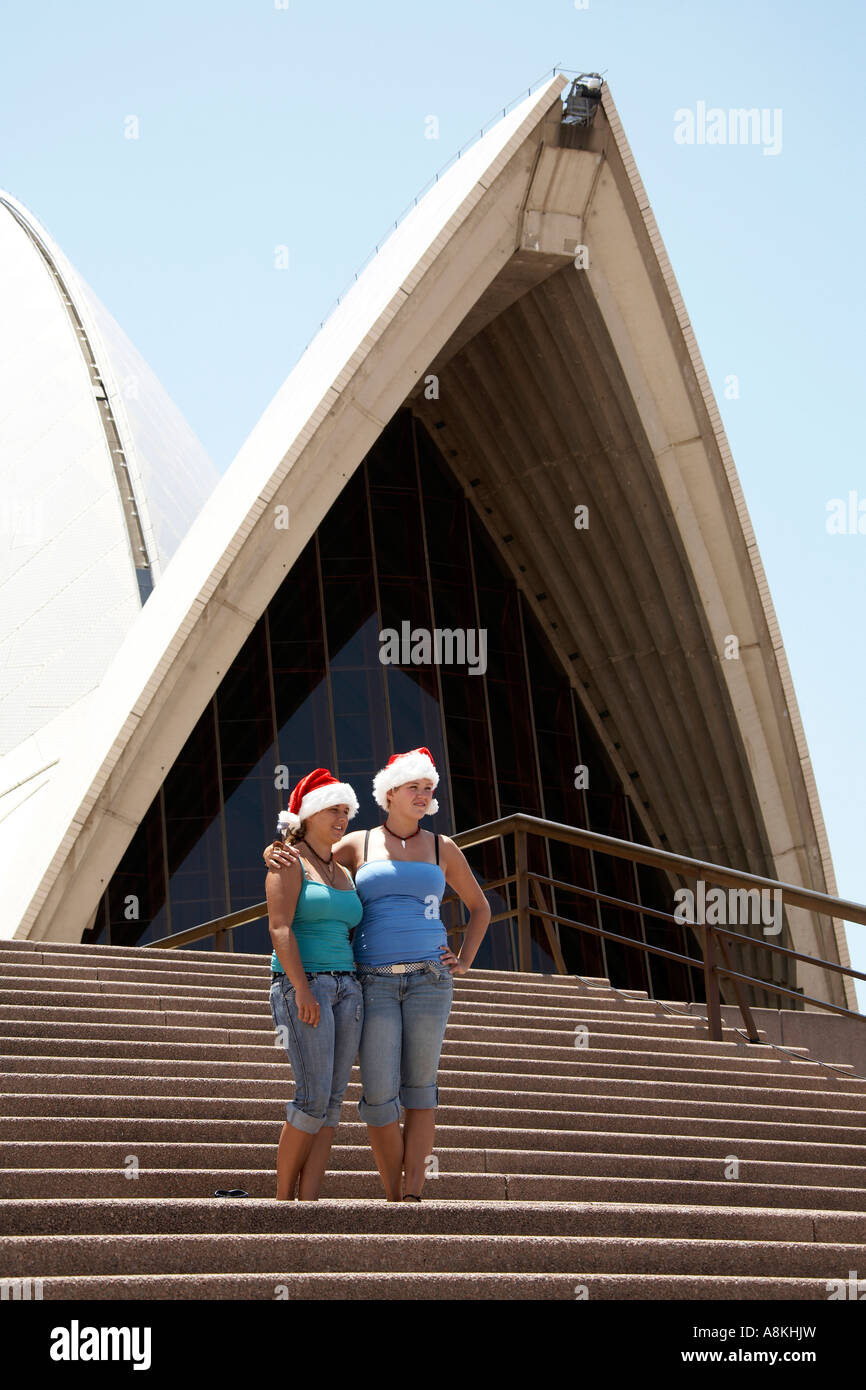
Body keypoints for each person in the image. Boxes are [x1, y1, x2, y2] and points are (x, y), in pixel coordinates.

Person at [265, 747, 490, 1200]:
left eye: (429, 789)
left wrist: (463, 960)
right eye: (414, 787)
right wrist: (273, 849)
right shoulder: (359, 843)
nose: (424, 795)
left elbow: (480, 906)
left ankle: (409, 1197)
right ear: (390, 793)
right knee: (375, 1098)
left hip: (425, 979)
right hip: (372, 981)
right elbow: (306, 853)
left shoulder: (441, 846)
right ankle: (386, 1192)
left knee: (419, 1091)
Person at [266, 767, 364, 1200]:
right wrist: (301, 988)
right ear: (307, 815)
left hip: (349, 988)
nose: (341, 818)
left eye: (346, 810)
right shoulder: (288, 860)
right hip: (308, 987)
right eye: (331, 810)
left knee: (333, 1102)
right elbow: (280, 927)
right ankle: (283, 1201)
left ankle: (309, 1201)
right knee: (312, 1096)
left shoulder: (342, 867)